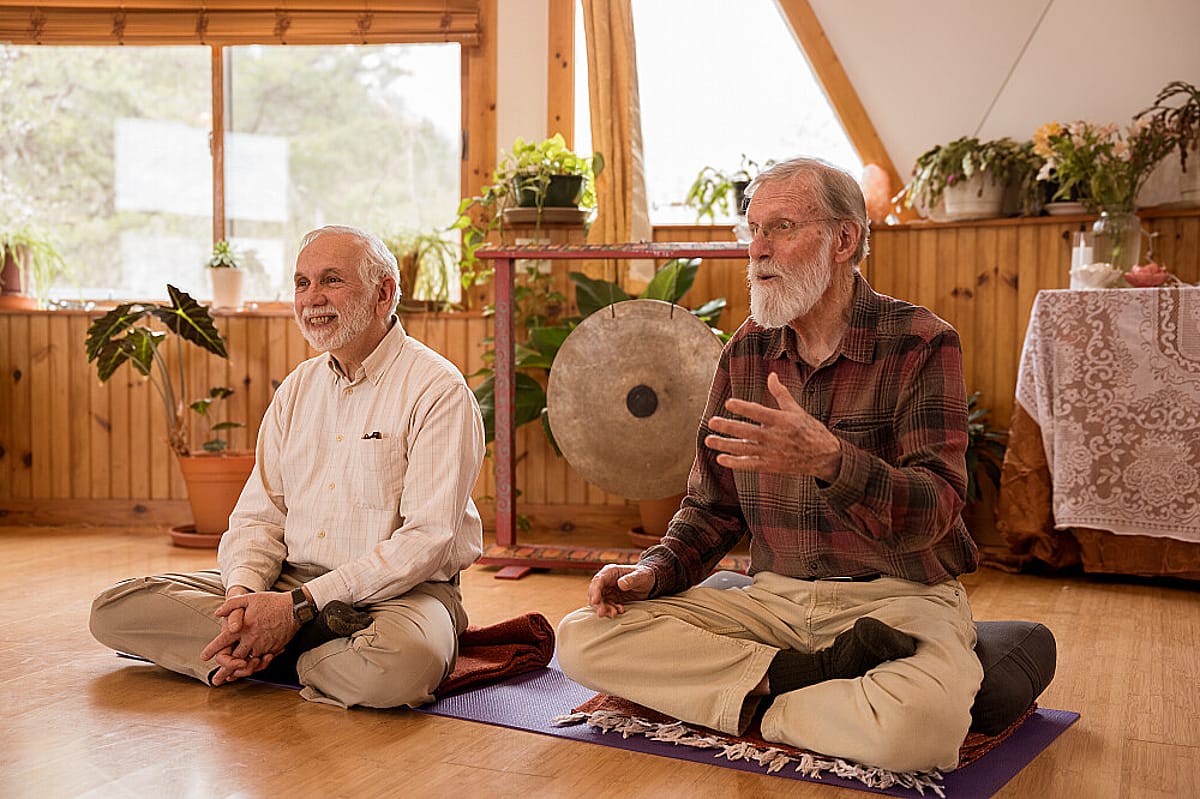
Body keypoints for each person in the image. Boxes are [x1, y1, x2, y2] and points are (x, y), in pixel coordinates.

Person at [556, 157, 982, 773]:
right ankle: (807, 682)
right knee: (582, 636)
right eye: (752, 229)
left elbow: (936, 512)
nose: (756, 249)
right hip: (774, 602)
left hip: (896, 600)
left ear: (844, 239)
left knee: (918, 734)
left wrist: (833, 461)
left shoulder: (920, 342)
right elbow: (712, 506)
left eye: (780, 227)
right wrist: (654, 572)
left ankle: (751, 702)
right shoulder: (748, 350)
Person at [90, 225, 485, 709]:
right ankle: (276, 642)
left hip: (400, 595)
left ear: (383, 294)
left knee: (399, 668)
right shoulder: (297, 389)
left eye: (331, 280)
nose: (312, 298)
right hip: (289, 583)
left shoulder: (437, 389)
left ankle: (265, 651)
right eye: (302, 283)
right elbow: (259, 518)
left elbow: (426, 541)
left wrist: (295, 610)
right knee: (113, 609)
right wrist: (244, 599)